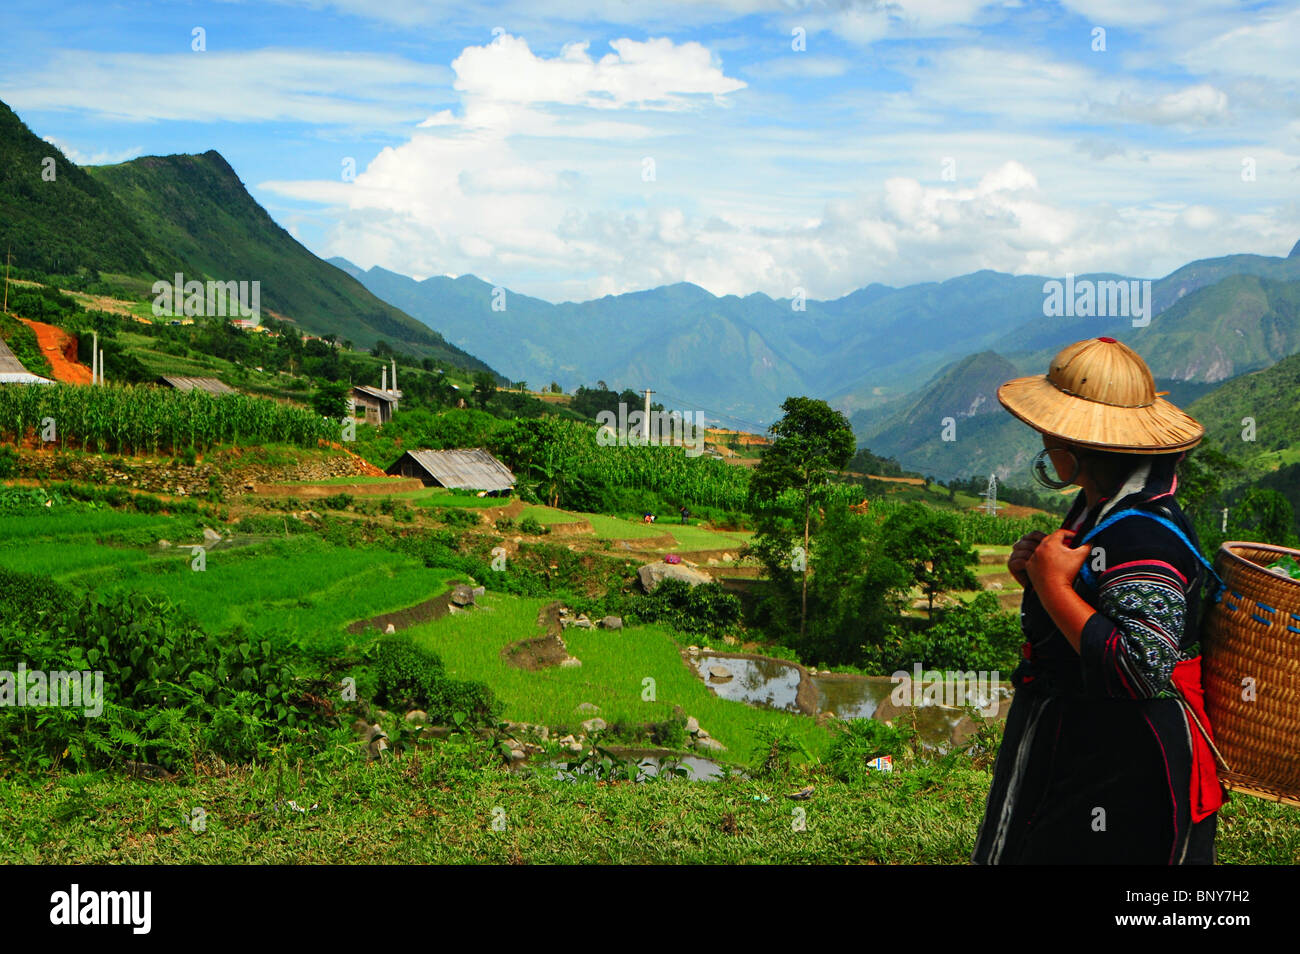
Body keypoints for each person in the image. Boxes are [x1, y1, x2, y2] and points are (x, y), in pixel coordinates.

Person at [971, 336, 1223, 865]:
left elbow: (1141, 665)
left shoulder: (1143, 534)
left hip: (1123, 768)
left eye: (1050, 432)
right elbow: (1101, 611)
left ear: (1075, 447)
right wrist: (1042, 581)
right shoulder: (1101, 508)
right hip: (1082, 749)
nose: (1042, 438)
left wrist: (1056, 587)